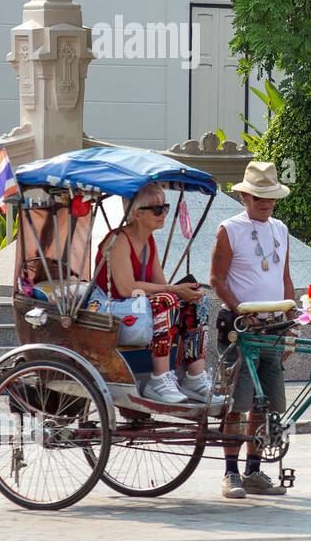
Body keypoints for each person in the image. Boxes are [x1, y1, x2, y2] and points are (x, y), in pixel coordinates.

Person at [209, 161, 296, 500]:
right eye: (260, 197)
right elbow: (217, 279)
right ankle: (230, 472)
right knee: (238, 401)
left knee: (267, 403)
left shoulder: (281, 229)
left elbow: (286, 280)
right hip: (241, 327)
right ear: (245, 196)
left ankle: (254, 470)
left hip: (275, 324)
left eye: (271, 197)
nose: (267, 203)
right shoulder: (229, 229)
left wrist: (291, 321)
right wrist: (240, 312)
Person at [95, 183, 209, 406]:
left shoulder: (148, 241)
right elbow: (127, 288)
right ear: (137, 214)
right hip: (112, 311)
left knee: (197, 300)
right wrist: (173, 291)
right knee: (166, 300)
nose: (163, 214)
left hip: (139, 309)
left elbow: (160, 284)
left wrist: (183, 292)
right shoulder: (117, 240)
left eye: (165, 207)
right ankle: (158, 379)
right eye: (157, 209)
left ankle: (195, 377)